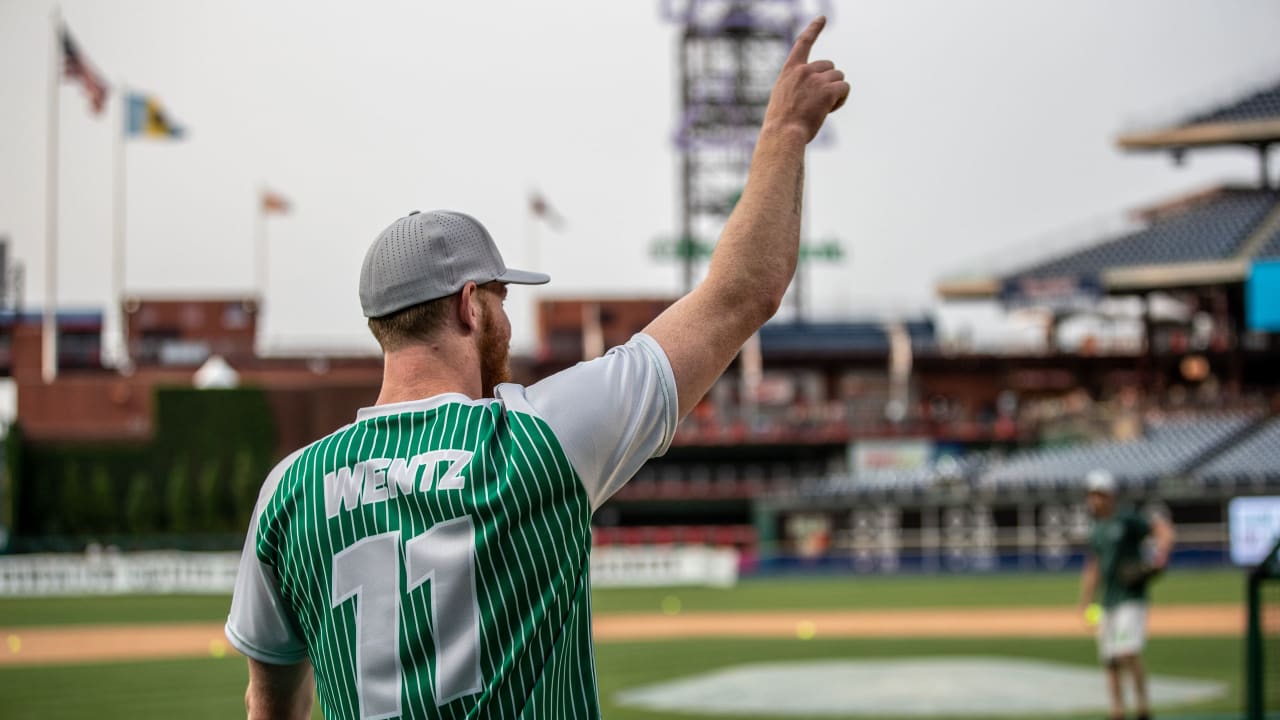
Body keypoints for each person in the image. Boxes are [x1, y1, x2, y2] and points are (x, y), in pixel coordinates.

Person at [224, 16, 849, 719]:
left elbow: (270, 702)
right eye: (500, 297)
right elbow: (743, 294)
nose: (507, 317)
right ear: (469, 307)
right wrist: (785, 132)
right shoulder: (541, 438)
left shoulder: (288, 491)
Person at [1077, 468, 1176, 720]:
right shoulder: (1096, 529)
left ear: (1110, 496)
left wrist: (1160, 557)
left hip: (1131, 598)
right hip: (1108, 600)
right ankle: (1117, 711)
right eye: (1092, 495)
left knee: (1127, 652)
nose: (1095, 500)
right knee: (1110, 660)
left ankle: (1143, 707)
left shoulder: (1127, 520)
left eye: (1099, 495)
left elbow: (1163, 530)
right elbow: (1094, 566)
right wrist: (1085, 601)